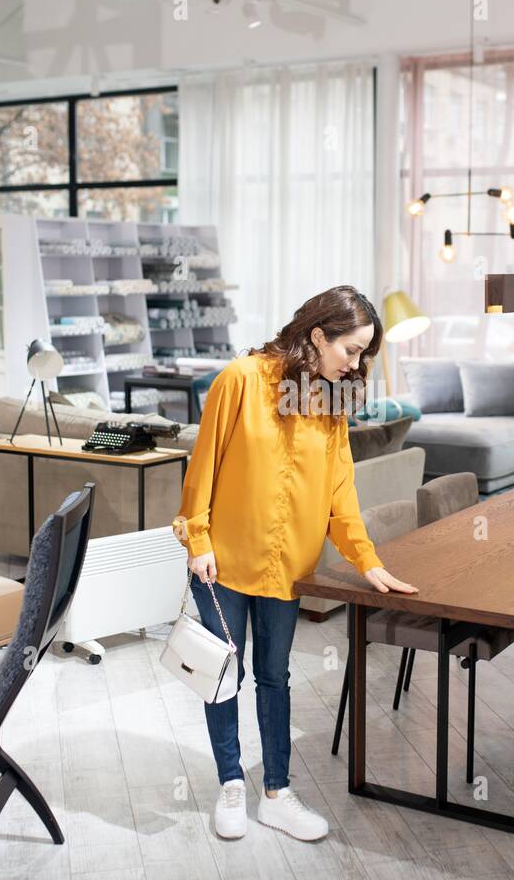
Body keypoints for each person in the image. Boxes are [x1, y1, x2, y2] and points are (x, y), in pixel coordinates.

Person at [172, 285, 418, 842]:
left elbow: (340, 492)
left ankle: (277, 793)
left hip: (287, 567)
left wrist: (366, 560)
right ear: (317, 335)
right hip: (224, 561)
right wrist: (198, 539)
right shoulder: (241, 379)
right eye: (351, 350)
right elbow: (203, 463)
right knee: (220, 674)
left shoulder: (330, 400)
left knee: (275, 676)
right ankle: (232, 783)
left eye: (362, 354)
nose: (355, 364)